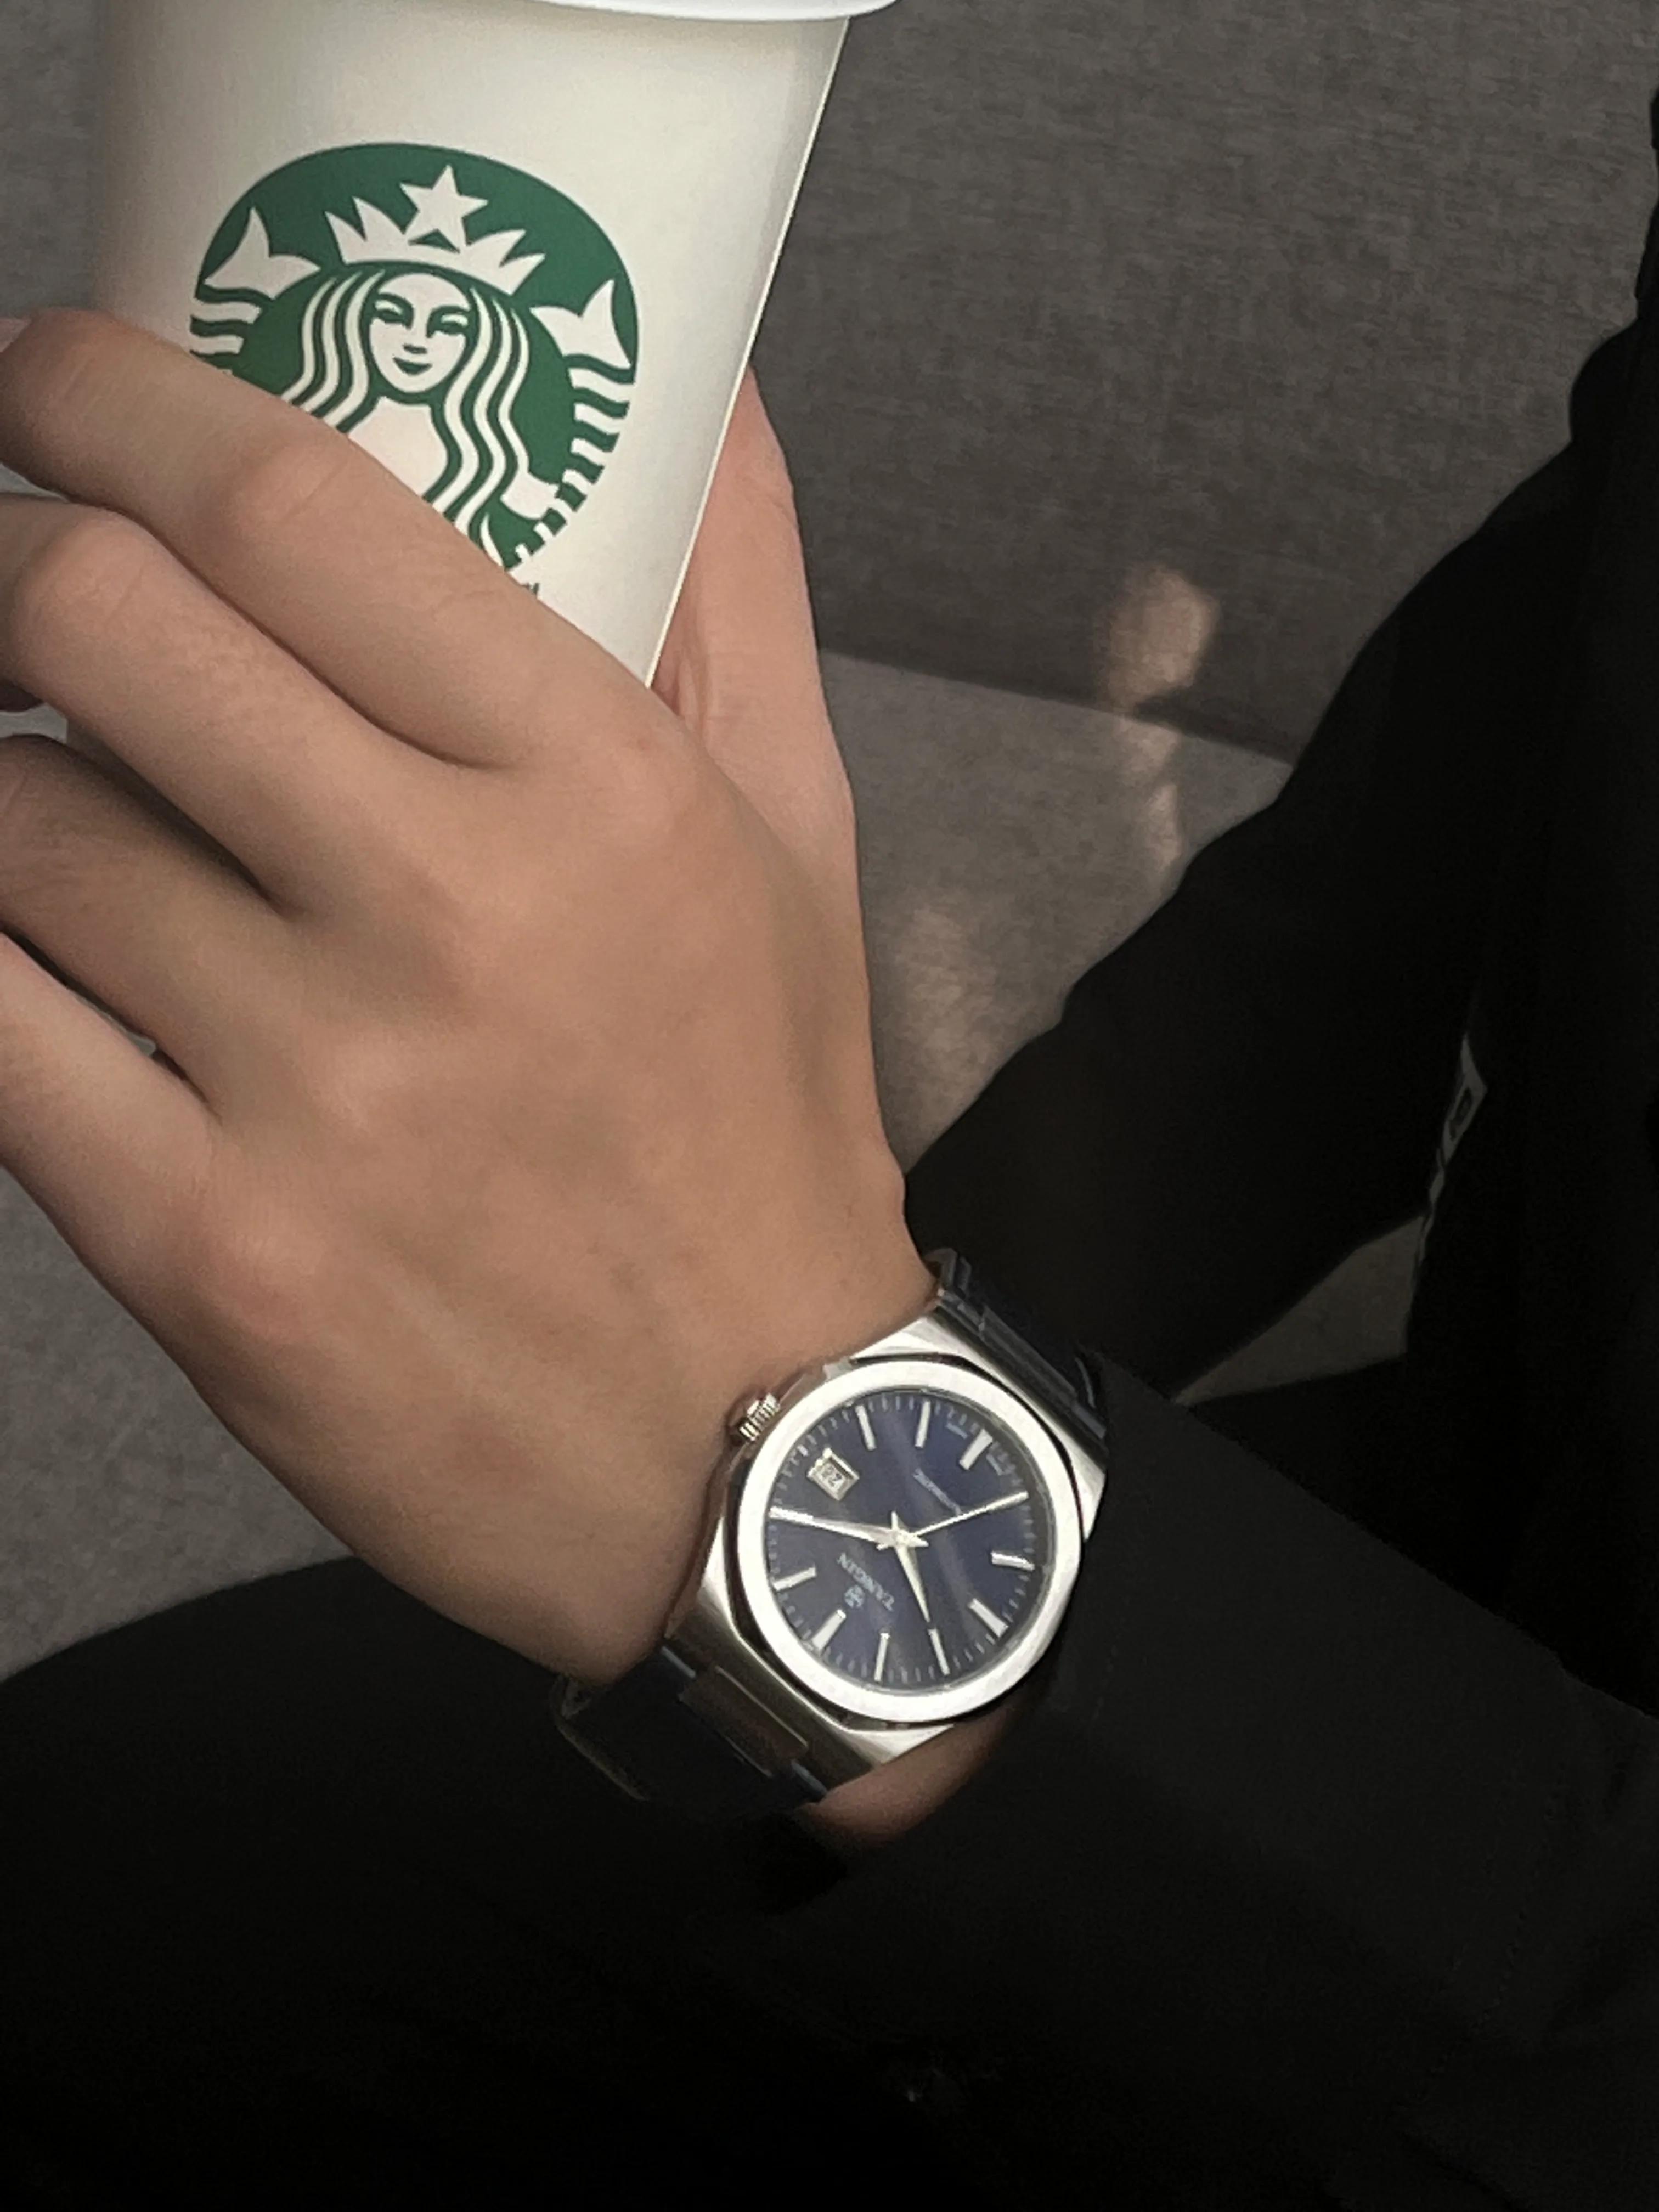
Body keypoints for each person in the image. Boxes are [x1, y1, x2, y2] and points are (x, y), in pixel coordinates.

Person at [1, 92, 1657, 2210]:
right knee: (104, 1853)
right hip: (1448, 1520)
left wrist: (836, 1467)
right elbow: (1503, 752)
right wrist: (846, 1273)